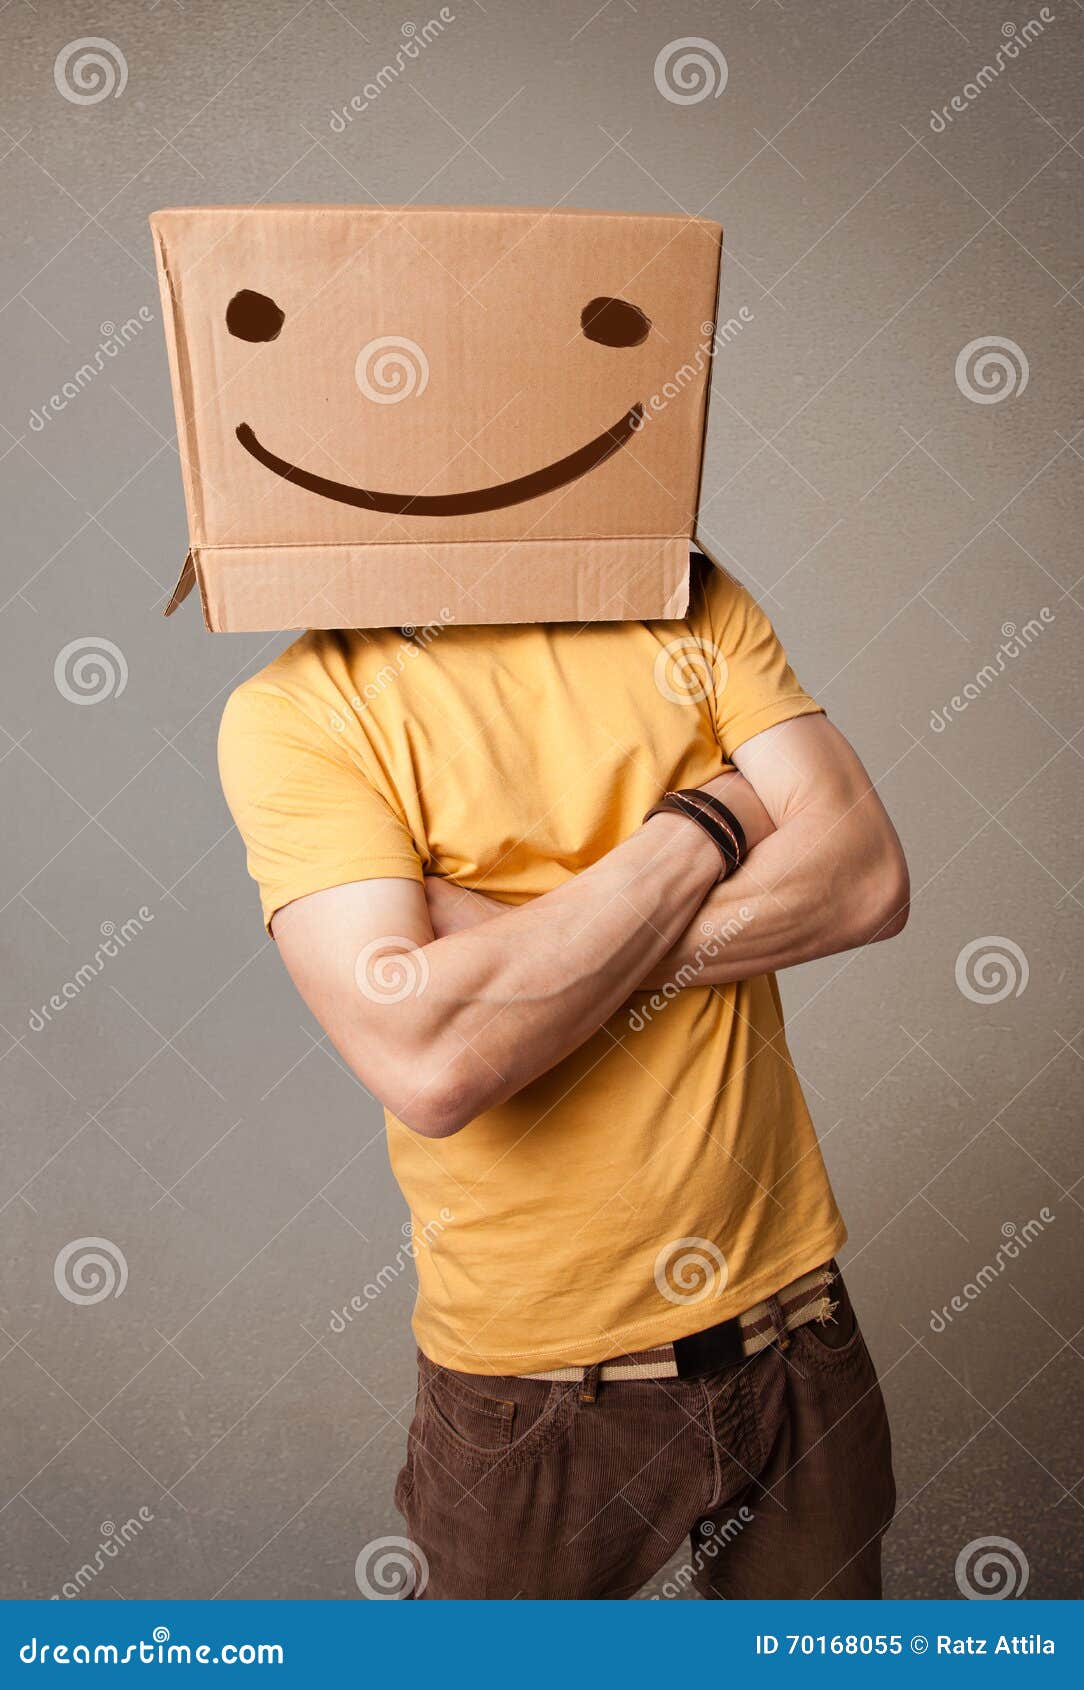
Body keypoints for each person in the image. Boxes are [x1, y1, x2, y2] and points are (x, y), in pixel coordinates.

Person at [218, 551, 907, 1599]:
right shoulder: (299, 712)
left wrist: (529, 953)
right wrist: (707, 825)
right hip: (535, 1395)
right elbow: (432, 1061)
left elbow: (865, 880)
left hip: (796, 1331)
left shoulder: (684, 594)